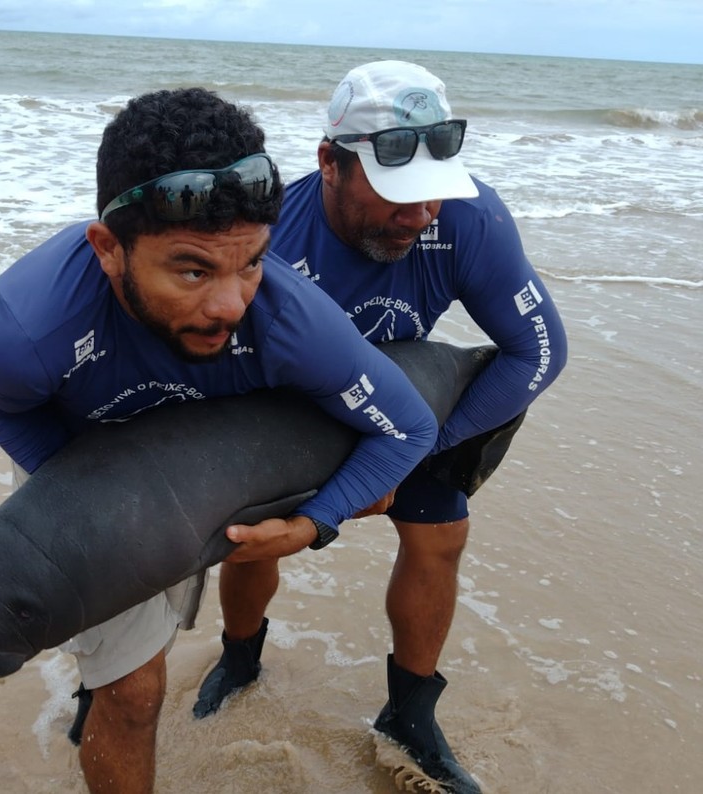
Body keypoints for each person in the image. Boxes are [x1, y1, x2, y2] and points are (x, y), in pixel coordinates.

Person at [0, 86, 438, 794]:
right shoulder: (22, 335)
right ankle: (106, 687)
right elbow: (1, 405)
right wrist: (86, 495)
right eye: (191, 269)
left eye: (250, 262)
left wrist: (315, 522)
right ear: (107, 250)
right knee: (134, 694)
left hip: (203, 462)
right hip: (90, 455)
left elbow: (408, 428)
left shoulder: (289, 319)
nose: (230, 304)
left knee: (165, 615)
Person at [196, 61, 568, 793]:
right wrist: (325, 497)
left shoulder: (467, 217)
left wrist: (418, 449)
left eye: (434, 194)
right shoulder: (270, 245)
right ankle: (240, 657)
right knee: (249, 548)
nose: (421, 214)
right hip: (292, 412)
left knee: (442, 537)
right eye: (398, 195)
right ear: (329, 162)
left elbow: (540, 349)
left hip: (413, 412)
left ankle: (410, 714)